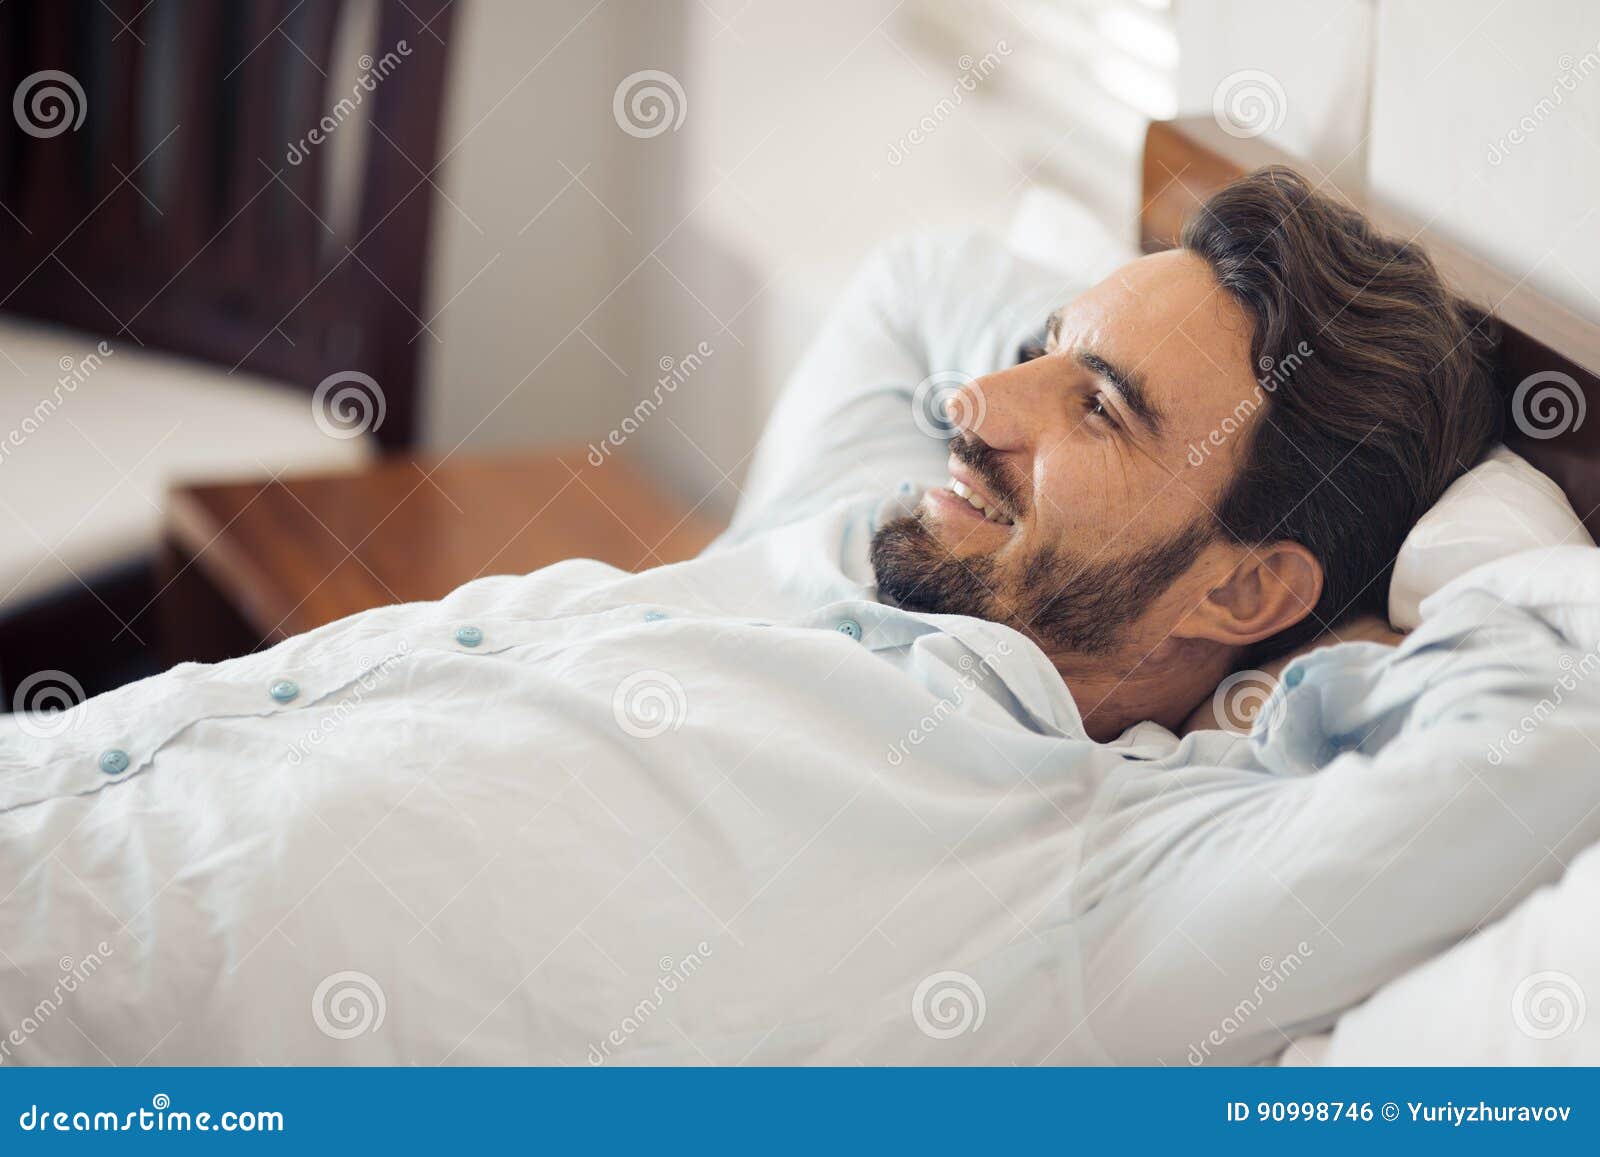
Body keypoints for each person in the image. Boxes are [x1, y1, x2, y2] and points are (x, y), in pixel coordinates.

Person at [2, 169, 1596, 1066]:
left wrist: (1368, 613)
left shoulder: (1103, 891)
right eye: (1040, 343)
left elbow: (1556, 716)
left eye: (1096, 404)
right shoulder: (853, 538)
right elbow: (920, 281)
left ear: (1246, 586)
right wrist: (1078, 401)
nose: (975, 399)